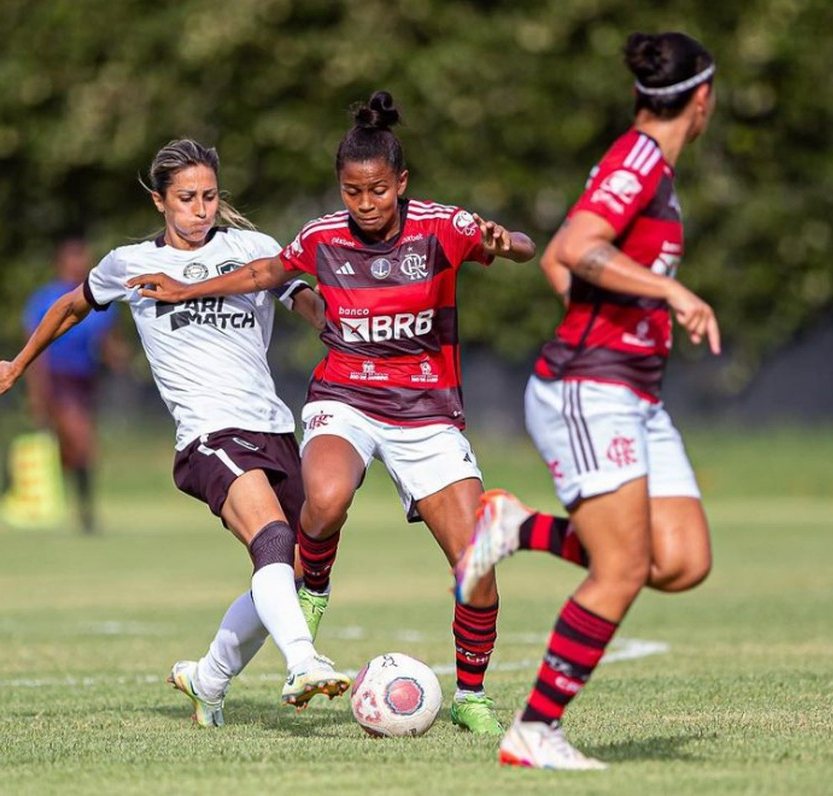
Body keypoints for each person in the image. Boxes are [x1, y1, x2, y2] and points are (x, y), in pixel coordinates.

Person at [126, 90, 537, 735]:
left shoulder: (443, 227)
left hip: (427, 412)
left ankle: (471, 695)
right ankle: (313, 588)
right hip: (345, 397)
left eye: (379, 191)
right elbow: (263, 273)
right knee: (324, 497)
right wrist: (188, 288)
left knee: (475, 565)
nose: (366, 204)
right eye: (353, 192)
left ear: (402, 183)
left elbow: (524, 246)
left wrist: (505, 243)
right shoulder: (322, 235)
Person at [0, 139, 350, 726]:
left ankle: (208, 678)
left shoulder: (252, 249)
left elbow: (302, 298)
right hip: (208, 434)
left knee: (299, 568)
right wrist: (17, 365)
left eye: (209, 196)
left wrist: (345, 331)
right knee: (272, 538)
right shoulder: (127, 264)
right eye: (186, 198)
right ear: (159, 201)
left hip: (274, 428)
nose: (200, 210)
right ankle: (303, 661)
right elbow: (72, 306)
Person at [453, 32, 722, 769]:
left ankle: (518, 526)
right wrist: (666, 293)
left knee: (682, 559)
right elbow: (574, 247)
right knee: (622, 570)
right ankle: (533, 731)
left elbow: (556, 260)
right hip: (589, 387)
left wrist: (616, 316)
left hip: (634, 391)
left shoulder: (651, 166)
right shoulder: (639, 160)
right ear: (702, 99)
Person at [20, 236, 120, 533]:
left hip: (86, 380)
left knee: (72, 449)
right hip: (58, 380)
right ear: (60, 263)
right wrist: (37, 393)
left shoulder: (98, 298)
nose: (80, 264)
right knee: (82, 443)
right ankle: (86, 514)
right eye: (74, 258)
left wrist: (119, 359)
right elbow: (35, 349)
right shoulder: (45, 299)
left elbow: (106, 341)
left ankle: (62, 502)